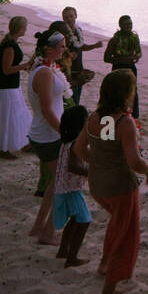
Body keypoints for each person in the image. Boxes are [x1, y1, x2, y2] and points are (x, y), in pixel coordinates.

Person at [74, 70, 148, 294]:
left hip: (97, 184)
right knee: (126, 233)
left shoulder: (96, 117)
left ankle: (104, 263)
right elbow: (133, 161)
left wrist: (99, 163)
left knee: (117, 225)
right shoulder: (124, 121)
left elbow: (79, 150)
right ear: (126, 93)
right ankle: (110, 287)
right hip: (120, 186)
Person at [27, 30, 71, 244]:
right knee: (64, 182)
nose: (65, 49)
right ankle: (47, 233)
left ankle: (38, 227)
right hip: (47, 134)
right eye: (62, 46)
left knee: (56, 181)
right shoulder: (43, 72)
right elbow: (46, 109)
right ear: (49, 48)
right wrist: (64, 133)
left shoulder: (46, 68)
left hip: (47, 132)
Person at [0, 15, 32, 160]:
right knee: (8, 117)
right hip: (6, 87)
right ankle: (4, 149)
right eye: (25, 26)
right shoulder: (10, 46)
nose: (26, 29)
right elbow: (6, 69)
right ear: (20, 28)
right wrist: (25, 65)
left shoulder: (11, 43)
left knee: (17, 115)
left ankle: (21, 144)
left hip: (11, 86)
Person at [53, 104, 93, 268]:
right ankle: (72, 258)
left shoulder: (66, 142)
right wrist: (91, 172)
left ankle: (63, 250)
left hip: (64, 187)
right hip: (71, 189)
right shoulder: (76, 143)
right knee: (84, 221)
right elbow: (73, 166)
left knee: (75, 219)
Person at [62, 7, 102, 106]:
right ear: (63, 19)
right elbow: (59, 49)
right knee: (67, 100)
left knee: (76, 98)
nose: (69, 19)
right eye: (66, 17)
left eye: (71, 16)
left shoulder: (78, 30)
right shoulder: (62, 32)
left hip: (78, 69)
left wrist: (94, 46)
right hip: (66, 70)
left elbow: (81, 46)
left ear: (76, 16)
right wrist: (68, 55)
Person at [103, 16, 142, 118]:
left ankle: (133, 116)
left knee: (133, 91)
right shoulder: (114, 40)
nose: (129, 26)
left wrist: (137, 57)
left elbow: (139, 52)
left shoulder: (134, 38)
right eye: (126, 24)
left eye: (130, 24)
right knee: (116, 92)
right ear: (120, 26)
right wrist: (121, 60)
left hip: (131, 68)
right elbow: (106, 58)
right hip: (118, 68)